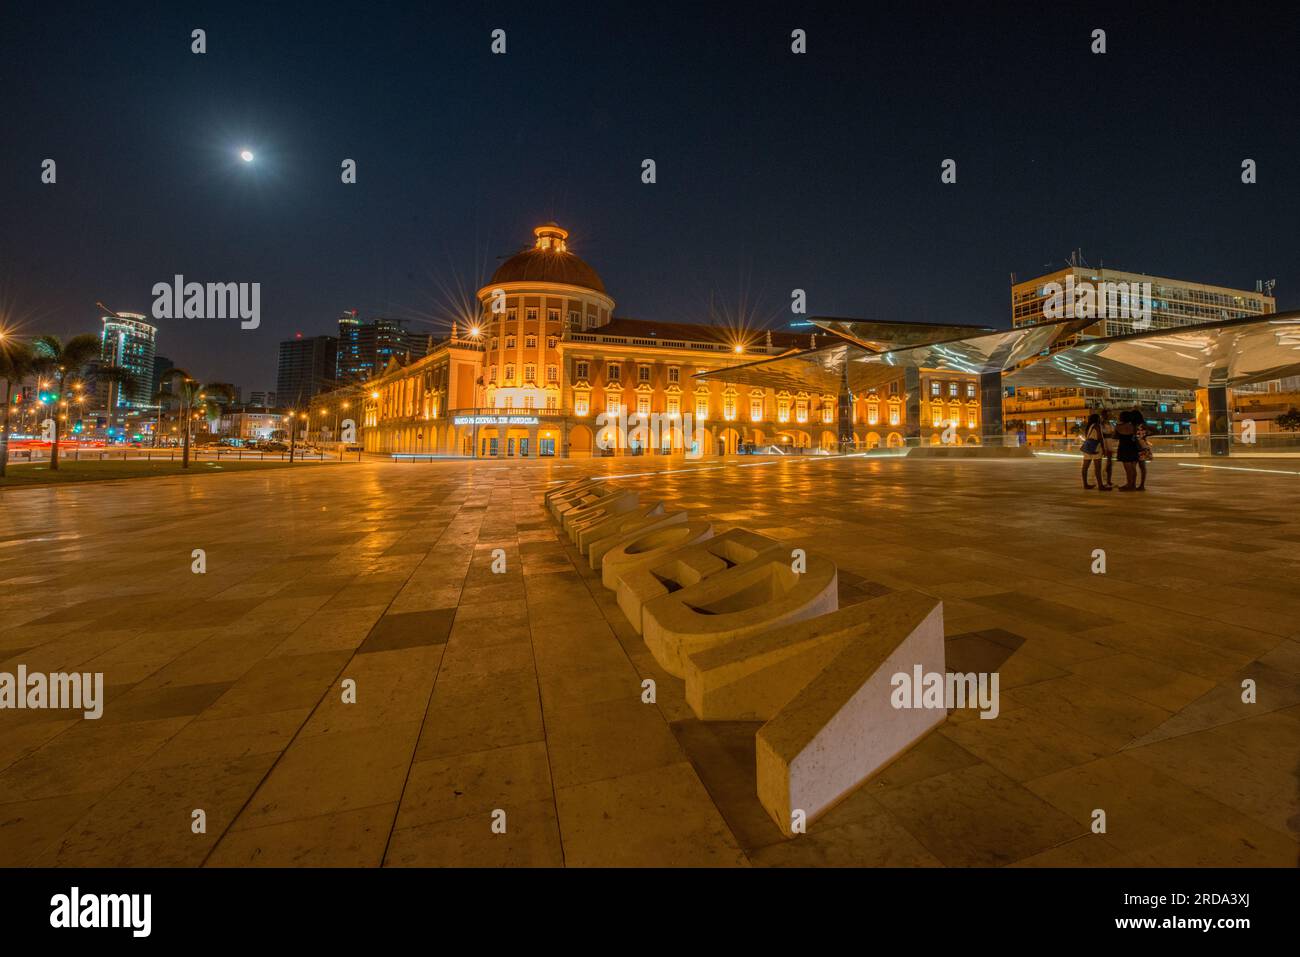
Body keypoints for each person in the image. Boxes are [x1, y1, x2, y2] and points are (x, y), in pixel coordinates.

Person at [1080, 413, 1110, 490]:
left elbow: (1087, 437)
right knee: (1098, 468)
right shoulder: (1097, 426)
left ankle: (1085, 484)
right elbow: (1100, 438)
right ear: (1097, 419)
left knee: (1085, 467)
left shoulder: (1088, 427)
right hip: (1096, 447)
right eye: (1099, 418)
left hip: (1088, 448)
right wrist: (1104, 448)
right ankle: (1100, 485)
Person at [1113, 409, 1142, 491]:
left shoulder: (1118, 427)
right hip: (1133, 447)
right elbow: (1136, 436)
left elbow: (1114, 436)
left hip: (1124, 447)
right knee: (1133, 468)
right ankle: (1133, 485)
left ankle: (1129, 485)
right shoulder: (1133, 426)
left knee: (1128, 469)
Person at [1132, 407, 1152, 490]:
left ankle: (1133, 483)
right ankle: (1142, 485)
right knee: (1142, 467)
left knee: (1133, 467)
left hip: (1135, 447)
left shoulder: (1133, 425)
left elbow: (1133, 436)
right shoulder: (1144, 425)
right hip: (1143, 447)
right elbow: (1151, 431)